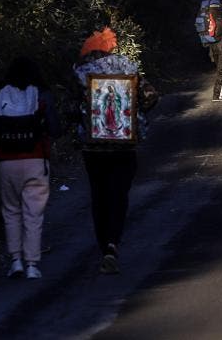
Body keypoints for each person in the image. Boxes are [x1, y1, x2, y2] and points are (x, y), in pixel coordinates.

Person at [73, 28, 158, 274]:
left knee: (99, 196)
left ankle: (104, 247)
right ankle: (113, 243)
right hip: (124, 143)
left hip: (93, 148)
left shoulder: (80, 72)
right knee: (119, 194)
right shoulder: (128, 67)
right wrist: (134, 115)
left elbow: (71, 109)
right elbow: (151, 96)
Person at [0, 57, 63, 279]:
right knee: (33, 214)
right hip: (36, 160)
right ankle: (32, 264)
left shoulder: (0, 95)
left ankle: (15, 260)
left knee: (11, 211)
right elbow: (55, 129)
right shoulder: (42, 95)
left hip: (7, 161)